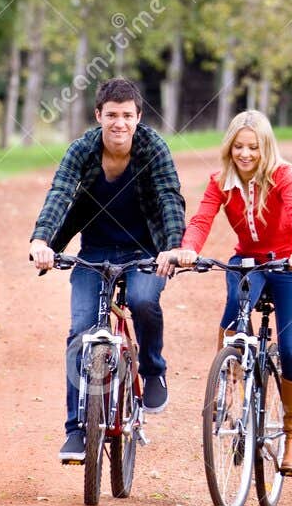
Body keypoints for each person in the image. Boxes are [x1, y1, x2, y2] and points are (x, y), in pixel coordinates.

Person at [29, 78, 185, 462]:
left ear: (138, 117)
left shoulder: (153, 148)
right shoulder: (83, 150)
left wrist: (172, 247)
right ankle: (76, 431)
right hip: (94, 253)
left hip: (144, 252)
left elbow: (169, 198)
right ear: (98, 115)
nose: (120, 123)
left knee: (143, 300)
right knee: (80, 332)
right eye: (112, 115)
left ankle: (152, 369)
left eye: (127, 115)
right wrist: (42, 240)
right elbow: (60, 192)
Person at [161, 111, 292, 476]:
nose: (245, 154)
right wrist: (188, 248)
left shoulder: (282, 175)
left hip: (288, 265)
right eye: (238, 147)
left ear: (266, 148)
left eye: (253, 147)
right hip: (248, 262)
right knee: (236, 306)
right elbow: (201, 220)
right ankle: (228, 378)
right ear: (229, 147)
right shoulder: (220, 182)